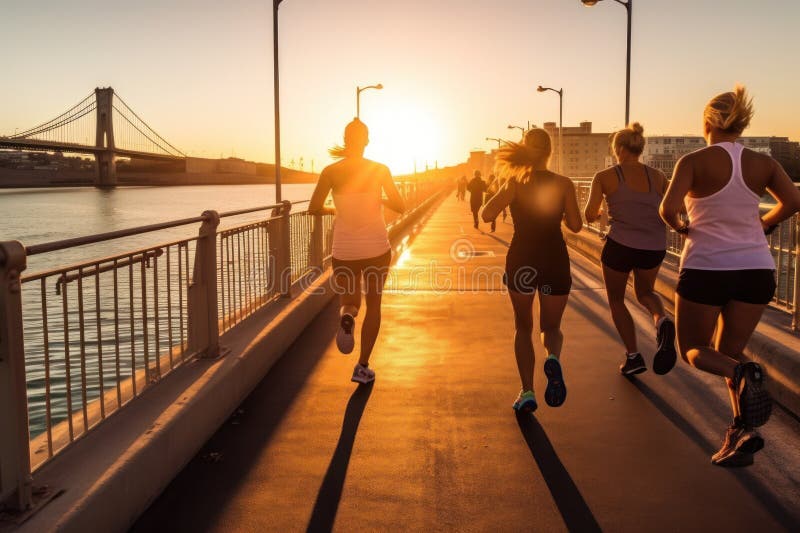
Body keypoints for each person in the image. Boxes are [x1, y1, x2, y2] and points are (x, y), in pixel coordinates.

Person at [660, 86, 800, 467]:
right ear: (742, 124)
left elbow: (667, 210)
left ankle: (743, 372)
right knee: (729, 352)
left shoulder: (692, 161)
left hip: (707, 267)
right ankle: (743, 431)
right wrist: (765, 224)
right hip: (756, 270)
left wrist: (683, 226)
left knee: (695, 349)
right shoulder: (763, 163)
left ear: (707, 122)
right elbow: (793, 201)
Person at [481, 128, 582, 412]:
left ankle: (527, 391)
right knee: (551, 327)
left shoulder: (515, 181)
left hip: (522, 260)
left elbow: (487, 214)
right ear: (551, 153)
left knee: (523, 326)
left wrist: (506, 190)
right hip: (554, 259)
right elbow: (576, 226)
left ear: (525, 152)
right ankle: (553, 359)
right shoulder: (563, 183)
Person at [309, 118, 406, 384]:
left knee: (350, 302)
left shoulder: (330, 171)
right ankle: (362, 366)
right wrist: (377, 198)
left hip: (345, 249)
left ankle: (347, 317)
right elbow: (401, 205)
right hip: (376, 247)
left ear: (344, 139)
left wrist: (337, 210)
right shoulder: (380, 169)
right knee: (374, 305)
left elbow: (313, 207)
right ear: (367, 140)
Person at [585, 122, 676, 376]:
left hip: (620, 246)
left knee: (616, 299)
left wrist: (602, 212)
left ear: (619, 149)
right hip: (654, 246)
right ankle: (662, 320)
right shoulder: (657, 176)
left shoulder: (605, 176)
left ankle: (633, 356)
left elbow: (589, 214)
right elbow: (671, 208)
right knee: (646, 292)